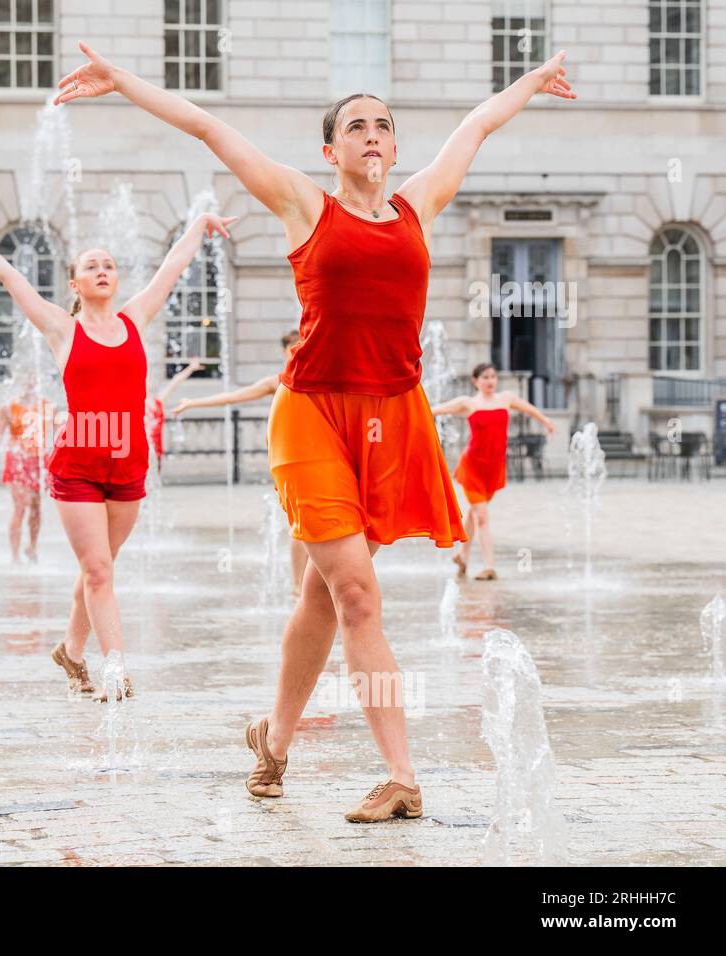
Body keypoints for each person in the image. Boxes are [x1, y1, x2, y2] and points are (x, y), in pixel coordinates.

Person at [56, 42, 575, 816]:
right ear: (332, 150)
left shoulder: (419, 205)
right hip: (311, 416)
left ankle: (274, 740)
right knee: (358, 593)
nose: (372, 135)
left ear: (394, 147)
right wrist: (122, 80)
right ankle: (403, 778)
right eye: (356, 127)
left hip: (390, 416)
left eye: (383, 126)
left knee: (322, 599)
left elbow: (477, 124)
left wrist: (533, 80)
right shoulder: (305, 204)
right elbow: (206, 126)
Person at [0, 211, 236, 701]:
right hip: (78, 467)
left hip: (129, 462)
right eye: (91, 266)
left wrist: (198, 223)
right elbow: (10, 276)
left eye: (109, 264)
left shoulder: (135, 317)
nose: (103, 270)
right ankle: (115, 670)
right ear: (75, 281)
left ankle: (71, 650)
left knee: (101, 567)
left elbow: (172, 268)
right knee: (98, 571)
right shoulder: (61, 328)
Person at [171, 333, 309, 596]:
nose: (297, 353)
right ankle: (297, 584)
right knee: (300, 520)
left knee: (313, 520)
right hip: (292, 456)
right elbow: (236, 396)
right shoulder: (277, 382)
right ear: (284, 353)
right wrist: (193, 402)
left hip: (319, 454)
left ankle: (310, 582)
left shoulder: (320, 378)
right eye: (293, 349)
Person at [431, 362, 556, 581]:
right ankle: (489, 566)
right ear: (475, 381)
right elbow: (434, 410)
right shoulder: (468, 403)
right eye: (485, 378)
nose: (489, 381)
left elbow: (528, 408)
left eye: (492, 377)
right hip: (472, 467)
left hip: (494, 468)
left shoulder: (506, 399)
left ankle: (462, 555)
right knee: (482, 517)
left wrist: (547, 423)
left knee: (473, 513)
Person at [0, 377, 45, 563]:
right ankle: (15, 556)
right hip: (17, 459)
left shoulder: (45, 405)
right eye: (27, 379)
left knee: (36, 508)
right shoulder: (8, 408)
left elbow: (55, 435)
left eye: (33, 379)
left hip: (37, 460)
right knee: (20, 506)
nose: (30, 383)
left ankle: (32, 547)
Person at [146, 358, 203, 469]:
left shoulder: (157, 402)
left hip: (155, 452)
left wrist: (191, 368)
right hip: (140, 456)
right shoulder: (135, 406)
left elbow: (174, 383)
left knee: (153, 479)